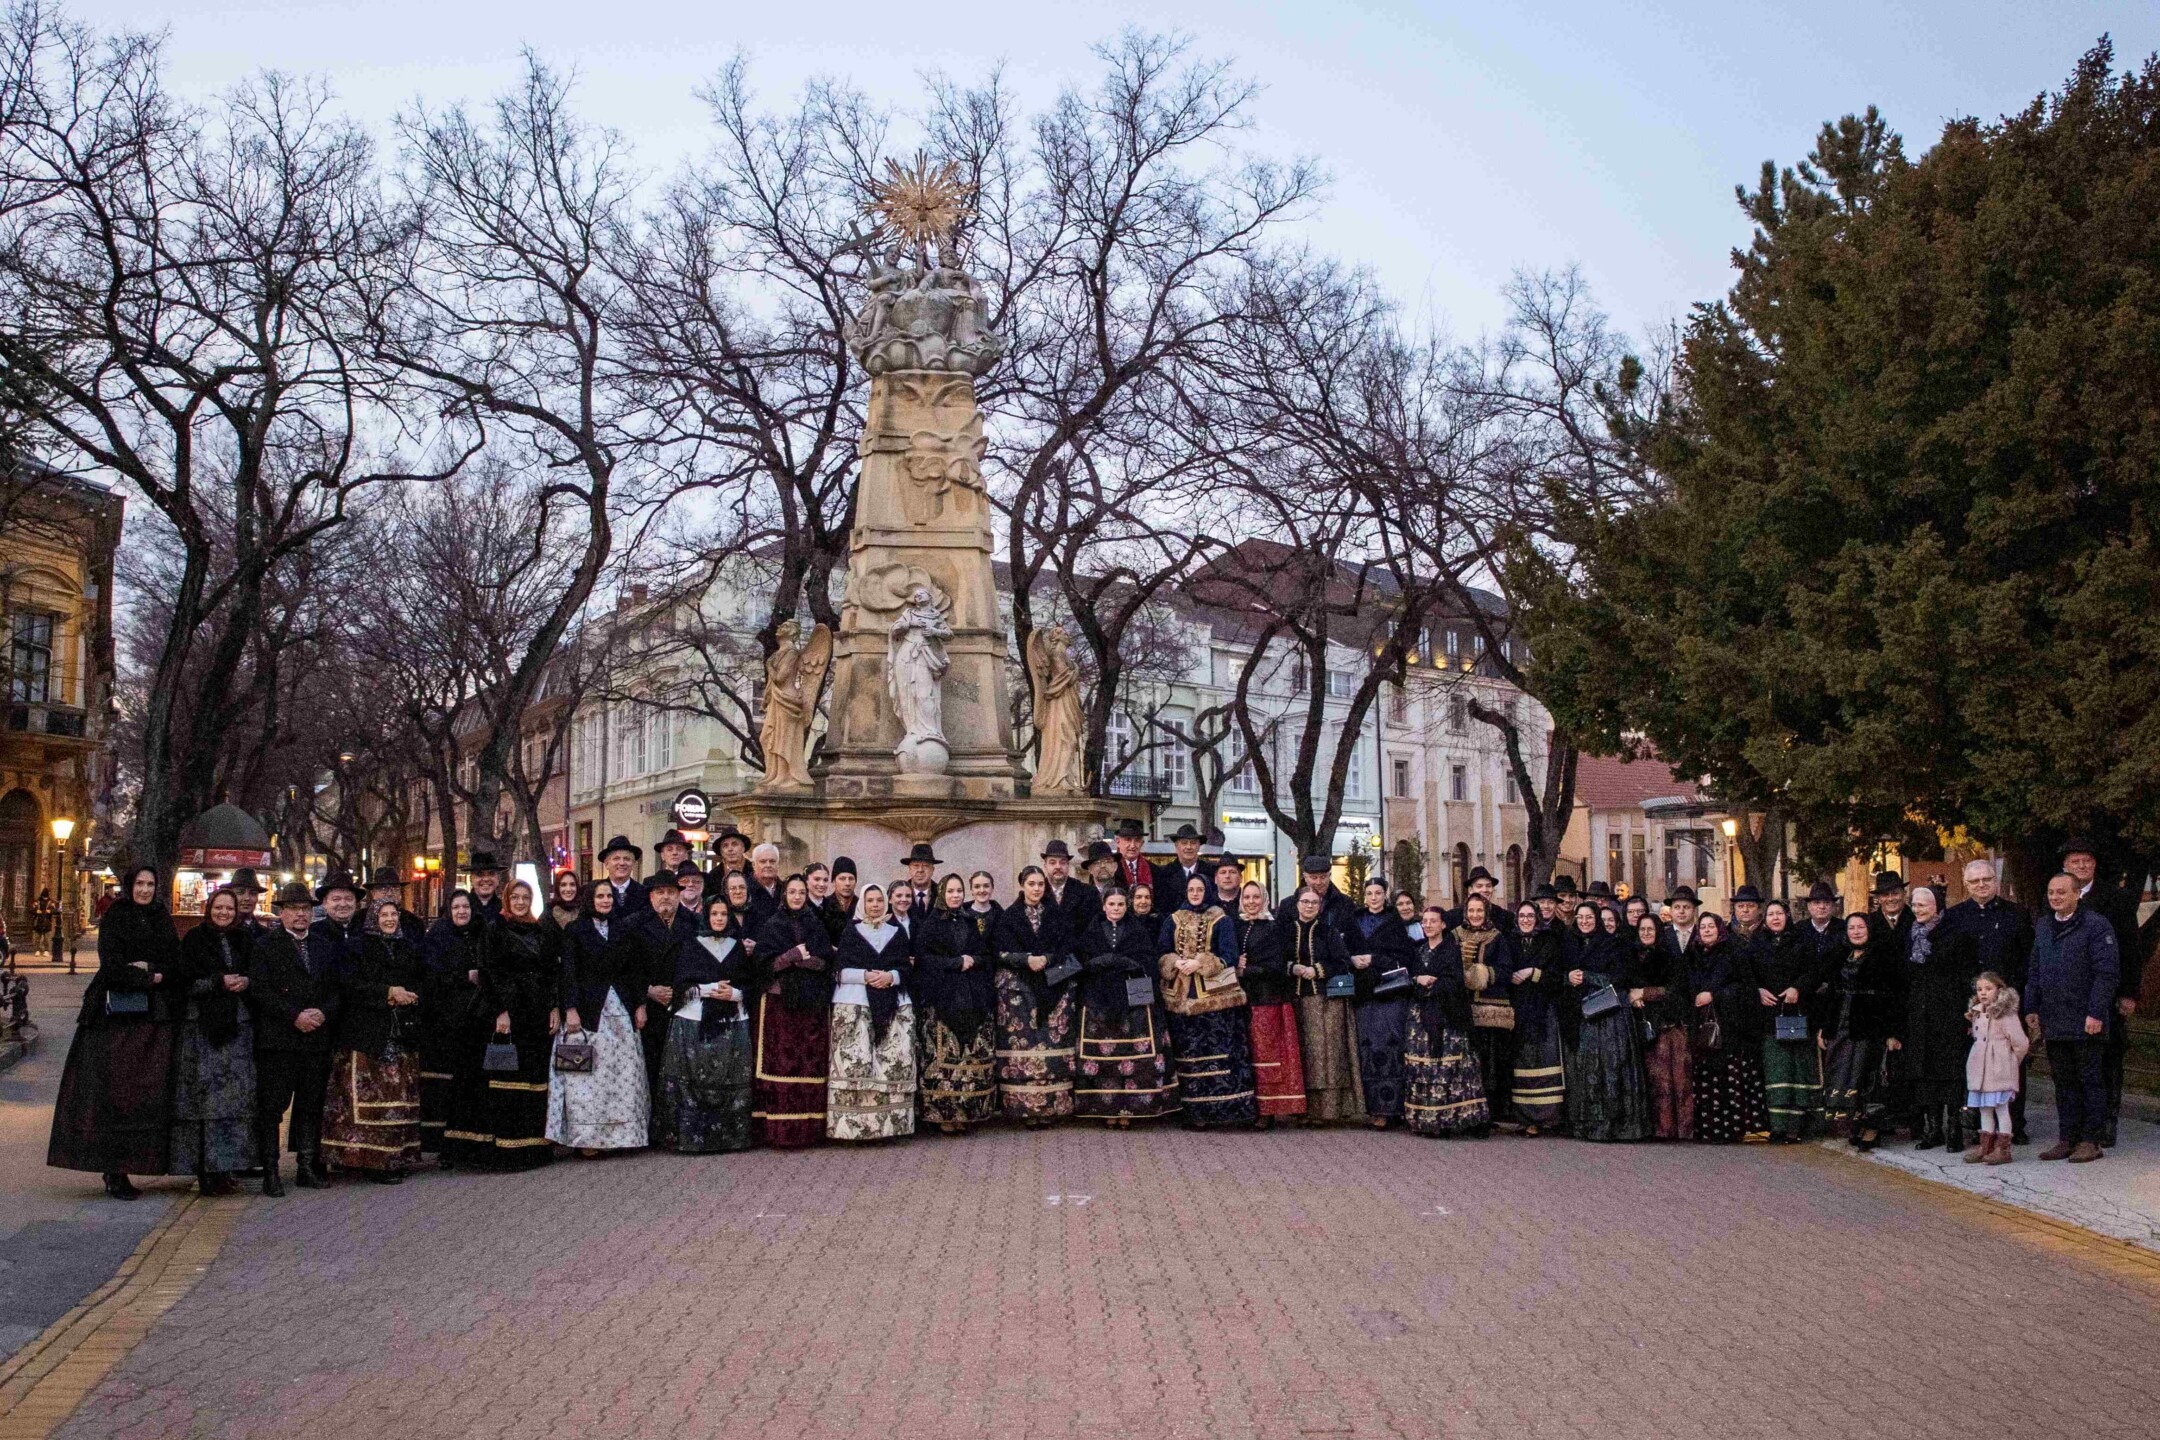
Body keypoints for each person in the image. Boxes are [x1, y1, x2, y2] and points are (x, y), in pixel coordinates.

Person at [48, 866, 179, 1198]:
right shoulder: (117, 916)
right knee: (114, 1091)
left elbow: (173, 961)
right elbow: (112, 964)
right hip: (114, 1018)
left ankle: (139, 1161)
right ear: (129, 886)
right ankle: (113, 1169)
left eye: (150, 884)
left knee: (147, 1091)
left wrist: (150, 971)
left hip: (154, 1018)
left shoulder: (161, 916)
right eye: (140, 884)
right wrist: (149, 976)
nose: (145, 890)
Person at [322, 899, 426, 1182]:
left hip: (400, 1034)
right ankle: (367, 1159)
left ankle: (395, 1158)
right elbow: (350, 986)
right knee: (367, 1101)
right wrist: (388, 992)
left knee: (398, 1100)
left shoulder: (409, 948)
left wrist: (411, 994)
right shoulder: (356, 948)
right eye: (384, 915)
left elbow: (423, 980)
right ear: (373, 919)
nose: (390, 919)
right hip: (366, 1034)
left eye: (394, 914)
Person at [247, 881, 341, 1192]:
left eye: (305, 909)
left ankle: (306, 1165)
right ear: (282, 913)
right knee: (272, 1107)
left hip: (315, 1038)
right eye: (293, 909)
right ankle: (270, 1171)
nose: (300, 915)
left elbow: (337, 989)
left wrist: (322, 1013)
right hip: (279, 1040)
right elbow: (261, 990)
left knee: (310, 1104)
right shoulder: (265, 945)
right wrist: (294, 1016)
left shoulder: (323, 945)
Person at [547, 882, 650, 1156]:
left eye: (609, 896)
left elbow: (635, 970)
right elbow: (568, 971)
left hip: (621, 1010)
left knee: (623, 1074)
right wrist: (570, 1008)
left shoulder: (624, 929)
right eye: (600, 896)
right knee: (585, 1077)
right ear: (590, 899)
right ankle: (587, 1138)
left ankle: (623, 1135)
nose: (605, 900)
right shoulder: (575, 930)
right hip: (588, 1012)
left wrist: (640, 1004)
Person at [2023, 873, 2119, 1164]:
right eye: (2051, 892)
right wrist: (2032, 1006)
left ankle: (2091, 1140)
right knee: (2063, 1081)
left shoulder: (2095, 925)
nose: (2055, 897)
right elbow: (2035, 968)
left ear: (2077, 895)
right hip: (2055, 1019)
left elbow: (2107, 973)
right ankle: (2067, 1138)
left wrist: (2096, 1012)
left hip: (2086, 1019)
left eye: (2062, 892)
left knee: (2090, 1079)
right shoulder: (2043, 925)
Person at [168, 889, 258, 1195]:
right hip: (202, 1030)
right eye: (218, 908)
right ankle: (206, 1171)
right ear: (210, 909)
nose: (224, 913)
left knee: (233, 1103)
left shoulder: (244, 939)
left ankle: (227, 1167)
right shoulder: (195, 939)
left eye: (229, 908)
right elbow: (183, 982)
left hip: (237, 1025)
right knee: (203, 1103)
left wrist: (246, 981)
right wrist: (218, 981)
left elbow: (256, 975)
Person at [461, 879, 555, 1170]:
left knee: (533, 1076)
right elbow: (490, 972)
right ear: (507, 898)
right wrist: (501, 1011)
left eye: (526, 897)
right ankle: (505, 1149)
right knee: (505, 1077)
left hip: (535, 1011)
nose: (520, 902)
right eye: (515, 896)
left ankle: (532, 1147)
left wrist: (553, 1006)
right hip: (508, 1010)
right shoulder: (495, 929)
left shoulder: (539, 930)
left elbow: (550, 970)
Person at [2060, 838, 2145, 1148]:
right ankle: (2079, 1124)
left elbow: (2131, 948)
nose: (2081, 866)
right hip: (2069, 996)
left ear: (2094, 864)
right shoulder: (2057, 895)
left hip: (2106, 993)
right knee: (2075, 1064)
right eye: (2075, 862)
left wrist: (2129, 993)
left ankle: (2108, 1120)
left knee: (2107, 1059)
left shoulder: (2115, 899)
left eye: (2086, 861)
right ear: (2065, 867)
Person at [656, 893, 756, 1153]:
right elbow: (680, 983)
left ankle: (731, 1138)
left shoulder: (737, 947)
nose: (720, 918)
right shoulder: (691, 944)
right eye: (715, 914)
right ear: (706, 915)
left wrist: (735, 994)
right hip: (695, 1019)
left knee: (729, 1077)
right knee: (691, 1079)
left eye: (724, 914)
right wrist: (710, 988)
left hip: (732, 1020)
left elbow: (749, 981)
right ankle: (691, 1138)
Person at [1943, 859, 2034, 1143]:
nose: (1981, 885)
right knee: (1975, 1065)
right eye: (1974, 881)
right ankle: (1979, 1127)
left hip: (2007, 1004)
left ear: (1995, 880)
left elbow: (2027, 959)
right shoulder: (1954, 917)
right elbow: (1952, 964)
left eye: (1986, 879)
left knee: (2010, 1064)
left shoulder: (2016, 914)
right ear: (1966, 884)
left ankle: (2014, 1125)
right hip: (1971, 1006)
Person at [1073, 886, 1179, 1127]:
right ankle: (1106, 1109)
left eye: (1120, 904)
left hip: (1132, 1000)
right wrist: (1099, 962)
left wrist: (1126, 962)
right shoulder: (1090, 931)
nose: (1116, 909)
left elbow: (1147, 962)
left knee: (1133, 1057)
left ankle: (1130, 1110)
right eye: (1112, 904)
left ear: (1126, 906)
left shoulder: (1137, 930)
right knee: (1103, 1059)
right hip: (1099, 999)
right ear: (1104, 906)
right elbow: (1081, 960)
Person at [1158, 874, 1256, 1129]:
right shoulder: (1173, 919)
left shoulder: (1221, 920)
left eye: (1199, 889)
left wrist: (1201, 963)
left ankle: (1224, 1111)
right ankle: (1194, 1113)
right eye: (1191, 889)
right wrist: (1174, 962)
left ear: (1207, 891)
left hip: (1214, 998)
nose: (1195, 893)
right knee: (1187, 1056)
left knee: (1217, 1054)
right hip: (1180, 997)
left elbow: (1229, 954)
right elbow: (1162, 950)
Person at [991, 865, 1079, 1127]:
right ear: (1022, 885)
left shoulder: (1057, 915)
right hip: (1019, 991)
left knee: (1051, 1047)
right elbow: (999, 951)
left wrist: (1046, 959)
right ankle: (1023, 1109)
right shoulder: (1009, 916)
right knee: (1024, 1048)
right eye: (1031, 883)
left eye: (1041, 884)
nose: (1037, 888)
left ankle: (1053, 1107)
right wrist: (1025, 959)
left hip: (1054, 987)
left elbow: (1068, 946)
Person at [752, 876, 837, 1147]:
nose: (797, 896)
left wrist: (803, 961)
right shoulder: (772, 926)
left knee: (809, 1063)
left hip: (810, 1004)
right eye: (792, 891)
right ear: (784, 894)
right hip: (780, 1005)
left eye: (802, 892)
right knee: (782, 1064)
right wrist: (790, 957)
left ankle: (809, 1130)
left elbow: (825, 961)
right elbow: (764, 965)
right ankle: (779, 1131)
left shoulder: (815, 923)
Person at [829, 885, 917, 1141]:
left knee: (891, 1065)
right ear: (862, 904)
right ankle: (855, 1129)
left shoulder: (897, 933)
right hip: (856, 1004)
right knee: (857, 1064)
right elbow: (840, 971)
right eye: (870, 900)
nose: (876, 905)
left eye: (880, 900)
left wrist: (892, 976)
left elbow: (907, 969)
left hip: (894, 1005)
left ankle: (890, 1127)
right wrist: (866, 976)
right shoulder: (851, 932)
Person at [913, 874, 997, 1134]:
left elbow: (986, 956)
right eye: (950, 891)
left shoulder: (971, 922)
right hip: (942, 999)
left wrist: (972, 959)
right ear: (942, 894)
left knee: (967, 1062)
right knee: (942, 1061)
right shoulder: (931, 925)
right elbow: (924, 960)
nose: (955, 895)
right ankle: (943, 1115)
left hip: (971, 997)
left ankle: (967, 1113)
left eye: (959, 891)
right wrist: (955, 963)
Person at [1220, 880, 1305, 1125]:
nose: (1251, 902)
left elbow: (1277, 966)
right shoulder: (1234, 925)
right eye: (1247, 897)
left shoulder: (1273, 927)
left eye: (1256, 897)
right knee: (1245, 1055)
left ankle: (1267, 1110)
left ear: (1264, 899)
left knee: (1265, 1056)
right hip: (1239, 999)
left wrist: (1247, 970)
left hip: (1266, 998)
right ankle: (1247, 1106)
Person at [1562, 900, 1647, 1142]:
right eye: (1580, 917)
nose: (1585, 921)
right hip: (1581, 1015)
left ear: (1597, 919)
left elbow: (1620, 976)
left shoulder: (1613, 944)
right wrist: (1568, 978)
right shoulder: (1569, 943)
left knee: (1612, 1067)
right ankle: (1589, 1124)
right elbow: (1559, 973)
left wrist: (1588, 976)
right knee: (1587, 1070)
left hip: (1609, 1015)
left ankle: (1616, 1125)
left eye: (1589, 917)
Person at [625, 870, 700, 1146]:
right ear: (651, 896)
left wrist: (680, 991)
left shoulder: (694, 923)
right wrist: (645, 994)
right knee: (652, 1064)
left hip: (684, 1003)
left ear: (680, 895)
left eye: (671, 892)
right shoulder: (634, 924)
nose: (666, 897)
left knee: (684, 1066)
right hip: (650, 1005)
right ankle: (653, 1128)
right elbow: (626, 967)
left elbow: (699, 964)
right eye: (660, 892)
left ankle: (681, 1126)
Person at [1821, 912, 1906, 1150]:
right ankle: (1854, 1125)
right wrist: (1825, 1028)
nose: (1856, 932)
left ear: (1869, 929)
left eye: (1861, 927)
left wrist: (1892, 1032)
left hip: (1871, 1026)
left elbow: (1894, 997)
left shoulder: (1882, 956)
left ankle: (1872, 1128)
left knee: (1869, 1077)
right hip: (1842, 1023)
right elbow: (1831, 994)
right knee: (1845, 1075)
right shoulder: (1841, 956)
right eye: (1852, 928)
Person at [1903, 883, 1979, 1152]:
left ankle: (1954, 1129)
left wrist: (1969, 1012)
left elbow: (1966, 975)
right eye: (1914, 905)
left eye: (1922, 905)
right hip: (1920, 1014)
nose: (1917, 909)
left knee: (1951, 1073)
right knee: (1924, 1074)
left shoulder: (1955, 934)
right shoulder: (1910, 934)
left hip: (1948, 1013)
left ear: (1938, 906)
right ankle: (1933, 1129)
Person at [1404, 901, 1488, 1137]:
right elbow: (1410, 977)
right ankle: (1425, 1118)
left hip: (1448, 1017)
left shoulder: (1451, 950)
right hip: (1421, 1017)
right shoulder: (1419, 950)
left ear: (1443, 925)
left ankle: (1451, 1119)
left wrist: (1434, 983)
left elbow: (1455, 981)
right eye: (1425, 922)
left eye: (1433, 921)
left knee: (1450, 1067)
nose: (1428, 925)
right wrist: (1418, 980)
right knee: (1423, 1067)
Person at [1686, 913, 1769, 1144]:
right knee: (1706, 1080)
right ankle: (1711, 1131)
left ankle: (1739, 1130)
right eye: (1702, 927)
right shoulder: (1692, 956)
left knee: (1732, 1079)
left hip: (1732, 1030)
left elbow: (1746, 989)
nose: (1707, 930)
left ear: (1720, 929)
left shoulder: (1734, 953)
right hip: (1702, 1029)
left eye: (1711, 926)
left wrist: (1714, 995)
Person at [419, 890, 487, 1163]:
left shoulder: (482, 932)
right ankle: (444, 1146)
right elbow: (432, 975)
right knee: (447, 1087)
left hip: (478, 1020)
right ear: (449, 910)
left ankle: (474, 1142)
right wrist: (463, 976)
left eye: (466, 906)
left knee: (475, 1083)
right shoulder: (438, 936)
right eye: (456, 907)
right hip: (446, 1023)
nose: (462, 911)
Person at [1343, 880, 1415, 1130]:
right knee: (1366, 1048)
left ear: (1385, 896)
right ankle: (1372, 1107)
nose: (1373, 897)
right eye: (1369, 893)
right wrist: (1353, 960)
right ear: (1364, 897)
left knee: (1391, 1046)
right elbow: (1341, 952)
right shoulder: (1354, 921)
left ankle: (1393, 1108)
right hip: (1363, 994)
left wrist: (1376, 959)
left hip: (1390, 994)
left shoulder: (1395, 923)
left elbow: (1406, 957)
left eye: (1378, 893)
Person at [1286, 886, 1363, 1123]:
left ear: (1320, 907)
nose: (1309, 906)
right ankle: (1303, 1110)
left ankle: (1328, 1111)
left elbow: (1342, 962)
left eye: (1314, 903)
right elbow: (1276, 959)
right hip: (1295, 1001)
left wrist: (1316, 970)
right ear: (1297, 904)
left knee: (1328, 1056)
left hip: (1326, 1001)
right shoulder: (1286, 931)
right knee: (1302, 1056)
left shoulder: (1328, 931)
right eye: (1305, 902)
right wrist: (1291, 967)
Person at [1753, 899, 1823, 1142]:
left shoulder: (1802, 940)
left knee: (1799, 1071)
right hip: (1769, 1017)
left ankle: (1799, 1126)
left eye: (1779, 913)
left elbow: (1814, 972)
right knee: (1776, 1071)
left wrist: (1797, 987)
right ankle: (1778, 1127)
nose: (1775, 918)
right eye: (1771, 914)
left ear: (1787, 916)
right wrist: (1758, 990)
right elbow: (1747, 974)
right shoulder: (1757, 943)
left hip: (1797, 1014)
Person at [1503, 900, 1567, 1135]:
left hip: (1543, 1010)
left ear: (1537, 918)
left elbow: (1557, 975)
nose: (1526, 920)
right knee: (1522, 1061)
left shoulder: (1549, 941)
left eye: (1531, 916)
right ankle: (1526, 1117)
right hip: (1518, 1010)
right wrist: (1509, 976)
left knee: (1545, 1060)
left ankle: (1548, 1116)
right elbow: (1502, 968)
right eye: (1522, 916)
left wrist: (1533, 973)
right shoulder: (1509, 942)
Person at [1633, 913, 1691, 1140]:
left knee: (1675, 1079)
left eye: (1650, 929)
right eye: (1642, 929)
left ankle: (1679, 1129)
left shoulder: (1670, 956)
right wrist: (1633, 995)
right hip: (1643, 1022)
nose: (1646, 933)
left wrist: (1646, 993)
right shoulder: (1632, 955)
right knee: (1651, 1078)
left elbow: (1676, 989)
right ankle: (1656, 1128)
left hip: (1669, 1022)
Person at [1456, 895, 1513, 1124]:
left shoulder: (1498, 938)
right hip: (1463, 1008)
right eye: (1471, 910)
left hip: (1491, 1009)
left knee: (1490, 1064)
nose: (1475, 915)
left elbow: (1506, 971)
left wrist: (1482, 974)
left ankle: (1490, 1113)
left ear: (1486, 912)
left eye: (1480, 910)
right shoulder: (1455, 935)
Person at [1963, 971, 2027, 1166]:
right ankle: (1986, 1147)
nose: (1983, 993)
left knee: (2001, 1108)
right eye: (1980, 989)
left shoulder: (2005, 1014)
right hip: (1980, 1068)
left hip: (1998, 1069)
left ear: (1999, 989)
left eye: (1988, 989)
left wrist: (2010, 1061)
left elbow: (2021, 1043)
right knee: (1984, 1108)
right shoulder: (1977, 1012)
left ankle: (2004, 1148)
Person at [1275, 854, 1353, 932]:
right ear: (1305, 877)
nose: (1318, 882)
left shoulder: (1344, 903)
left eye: (1323, 877)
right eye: (1314, 877)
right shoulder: (1288, 904)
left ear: (1329, 876)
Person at [1040, 841, 1099, 936]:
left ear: (1068, 865)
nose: (1058, 866)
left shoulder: (1087, 893)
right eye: (1052, 862)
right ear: (1045, 866)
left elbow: (1093, 931)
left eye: (1063, 862)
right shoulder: (1036, 893)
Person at [1152, 823, 1209, 916]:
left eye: (1193, 843)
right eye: (1184, 843)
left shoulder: (1210, 872)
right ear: (1176, 846)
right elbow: (1161, 907)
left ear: (1199, 846)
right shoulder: (1164, 874)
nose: (1189, 847)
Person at [595, 836, 647, 919]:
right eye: (616, 859)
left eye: (626, 859)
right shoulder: (595, 892)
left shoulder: (644, 893)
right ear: (606, 864)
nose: (622, 863)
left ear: (633, 863)